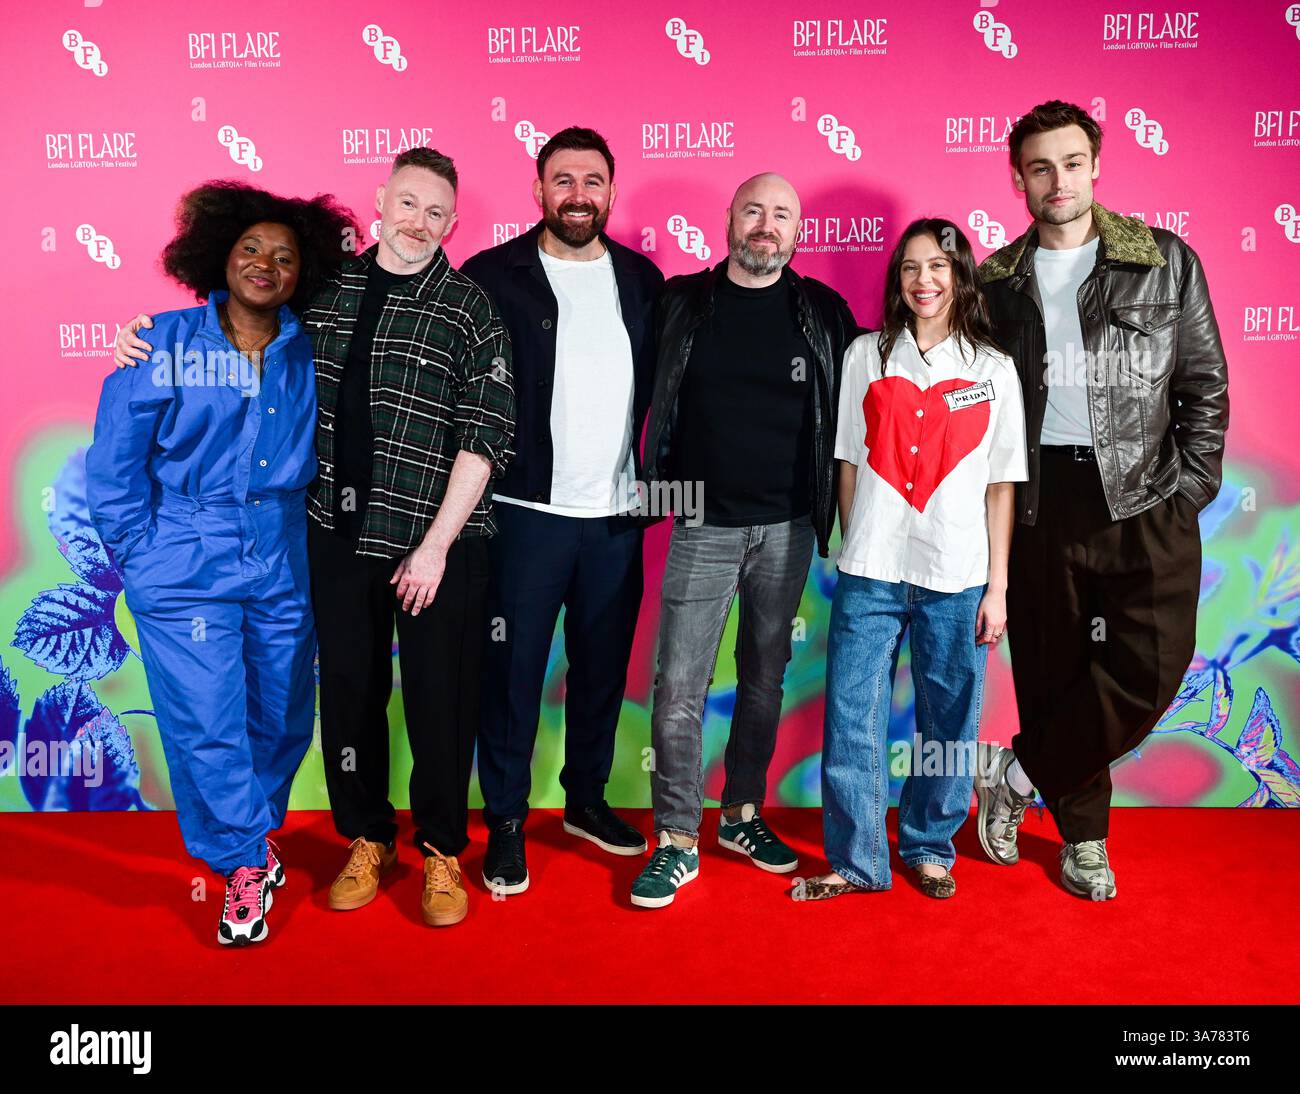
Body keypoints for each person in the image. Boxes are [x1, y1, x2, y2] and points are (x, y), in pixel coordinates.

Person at [112, 148, 516, 928]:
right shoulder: (327, 288)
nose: (418, 223)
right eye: (407, 204)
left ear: (454, 223)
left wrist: (435, 547)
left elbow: (487, 432)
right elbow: (241, 313)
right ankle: (367, 838)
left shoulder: (471, 307)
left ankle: (439, 851)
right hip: (331, 535)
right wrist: (147, 337)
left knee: (440, 702)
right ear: (380, 202)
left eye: (436, 212)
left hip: (438, 543)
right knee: (350, 698)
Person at [88, 181, 357, 945]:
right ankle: (241, 860)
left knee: (279, 718)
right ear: (218, 256)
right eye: (250, 249)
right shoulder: (164, 342)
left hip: (282, 554)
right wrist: (143, 557)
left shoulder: (316, 348)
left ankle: (249, 837)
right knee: (207, 723)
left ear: (303, 273)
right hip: (182, 558)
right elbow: (113, 469)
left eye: (284, 255)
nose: (265, 264)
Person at [974, 101, 1228, 899]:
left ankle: (1016, 777)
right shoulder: (994, 281)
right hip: (1043, 496)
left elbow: (1205, 389)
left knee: (1151, 668)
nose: (1059, 181)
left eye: (1073, 162)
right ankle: (1085, 838)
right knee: (1054, 671)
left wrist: (1183, 494)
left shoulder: (1164, 260)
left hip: (1142, 496)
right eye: (1040, 167)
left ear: (1097, 165)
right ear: (1018, 180)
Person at [631, 173, 858, 908]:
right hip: (702, 521)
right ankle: (675, 836)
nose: (766, 225)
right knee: (679, 689)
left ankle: (742, 813)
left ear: (797, 233)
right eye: (754, 210)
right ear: (728, 218)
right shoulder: (681, 303)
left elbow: (865, 409)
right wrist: (650, 493)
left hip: (790, 527)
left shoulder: (824, 313)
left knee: (763, 679)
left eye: (781, 215)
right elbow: (640, 395)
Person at [459, 128, 662, 894]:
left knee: (602, 670)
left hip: (615, 518)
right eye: (563, 180)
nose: (578, 195)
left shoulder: (644, 281)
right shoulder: (491, 275)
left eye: (593, 181)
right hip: (522, 514)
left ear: (612, 192)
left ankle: (586, 800)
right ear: (539, 191)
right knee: (511, 673)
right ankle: (506, 822)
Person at [798, 219, 1026, 902]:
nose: (924, 281)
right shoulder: (867, 355)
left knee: (950, 721)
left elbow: (1001, 483)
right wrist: (850, 541)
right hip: (871, 568)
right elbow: (847, 459)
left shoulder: (992, 369)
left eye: (939, 267)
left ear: (960, 276)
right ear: (897, 280)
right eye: (910, 269)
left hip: (957, 574)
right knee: (851, 715)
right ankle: (857, 860)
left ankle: (930, 846)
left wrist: (998, 587)